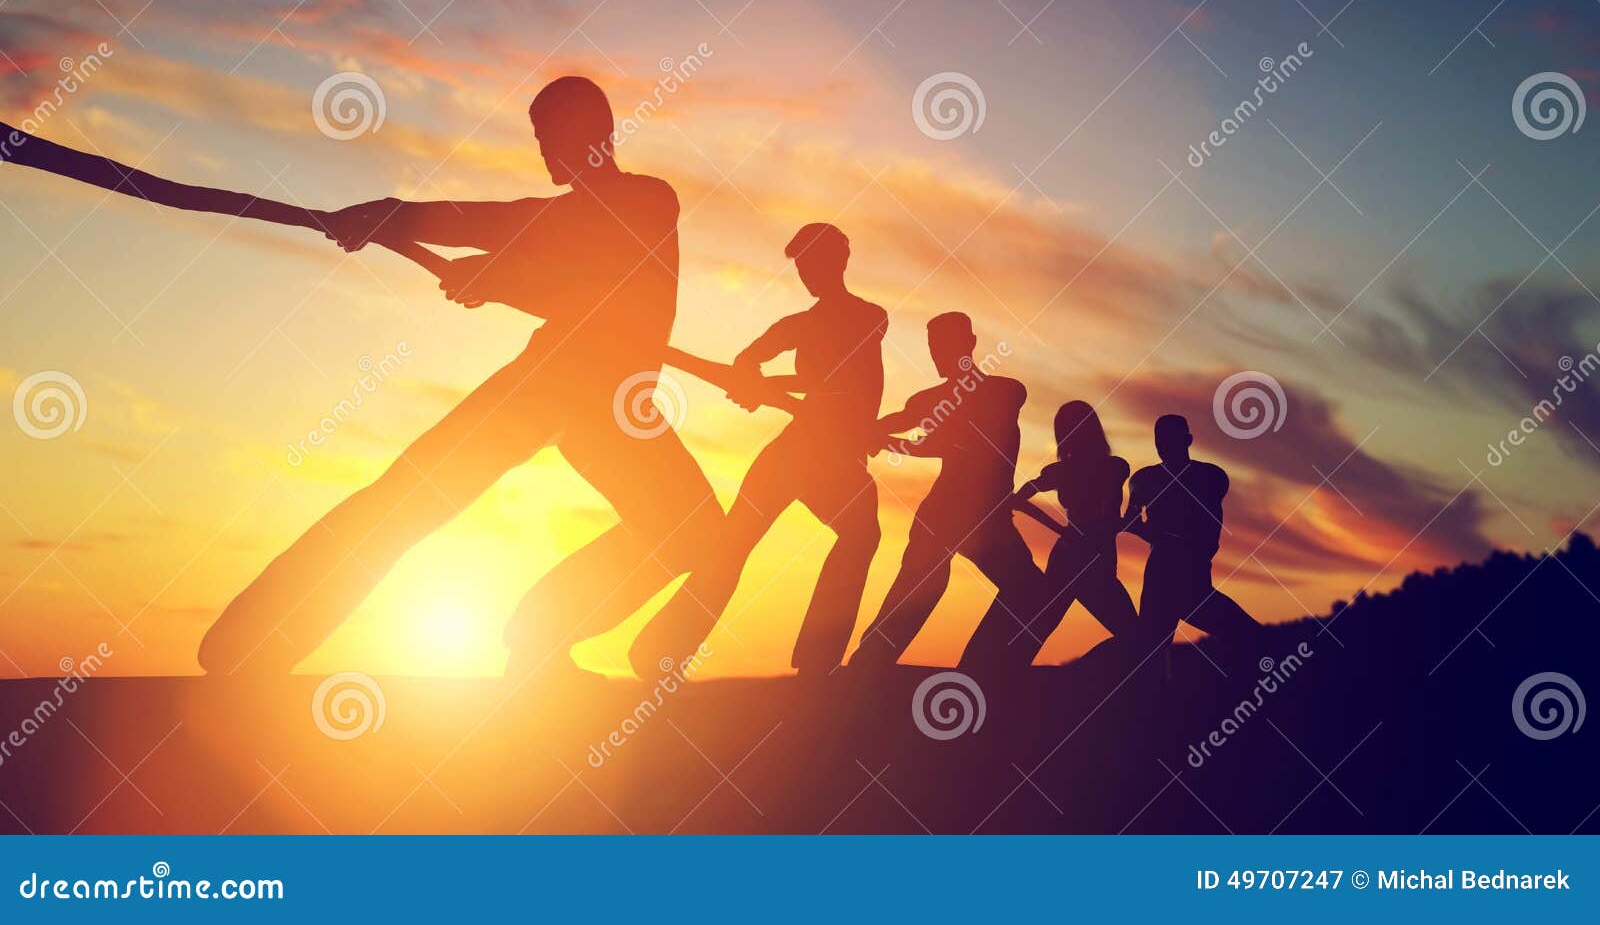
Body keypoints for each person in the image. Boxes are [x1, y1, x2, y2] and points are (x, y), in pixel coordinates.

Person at [196, 76, 724, 683]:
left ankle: (541, 637)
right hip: (556, 387)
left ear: (595, 134)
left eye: (551, 136)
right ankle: (247, 645)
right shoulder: (569, 216)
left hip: (608, 405)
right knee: (410, 500)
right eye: (540, 139)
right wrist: (386, 217)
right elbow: (491, 224)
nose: (545, 152)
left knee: (694, 534)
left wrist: (499, 275)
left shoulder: (647, 201)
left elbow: (589, 267)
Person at [631, 223, 886, 678]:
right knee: (736, 547)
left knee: (855, 535)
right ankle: (657, 656)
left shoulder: (869, 317)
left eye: (814, 263)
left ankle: (813, 659)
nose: (807, 275)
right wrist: (752, 382)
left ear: (840, 261)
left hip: (827, 451)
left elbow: (843, 382)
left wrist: (769, 387)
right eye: (802, 267)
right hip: (805, 448)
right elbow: (750, 362)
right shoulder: (799, 325)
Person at [853, 314, 1043, 670]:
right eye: (933, 348)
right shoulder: (927, 401)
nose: (937, 355)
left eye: (945, 346)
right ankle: (868, 666)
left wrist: (890, 442)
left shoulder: (1005, 390)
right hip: (946, 513)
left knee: (1029, 591)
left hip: (987, 517)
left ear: (970, 343)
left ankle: (977, 667)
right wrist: (867, 432)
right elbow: (892, 425)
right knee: (918, 590)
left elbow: (954, 441)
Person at [1125, 413, 1262, 656]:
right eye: (1160, 440)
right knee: (1149, 655)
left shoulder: (1211, 476)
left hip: (1193, 578)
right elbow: (1130, 521)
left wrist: (1164, 537)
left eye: (1170, 439)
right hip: (1161, 578)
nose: (1163, 446)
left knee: (1253, 638)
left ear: (1188, 440)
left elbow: (1208, 531)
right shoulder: (1144, 479)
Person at [1015, 401, 1139, 654]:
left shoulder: (1110, 468)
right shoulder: (1106, 468)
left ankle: (1081, 677)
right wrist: (1060, 529)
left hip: (1083, 553)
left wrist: (1061, 530)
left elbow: (1019, 499)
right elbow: (1018, 499)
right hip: (1081, 555)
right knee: (1133, 636)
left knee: (1039, 630)